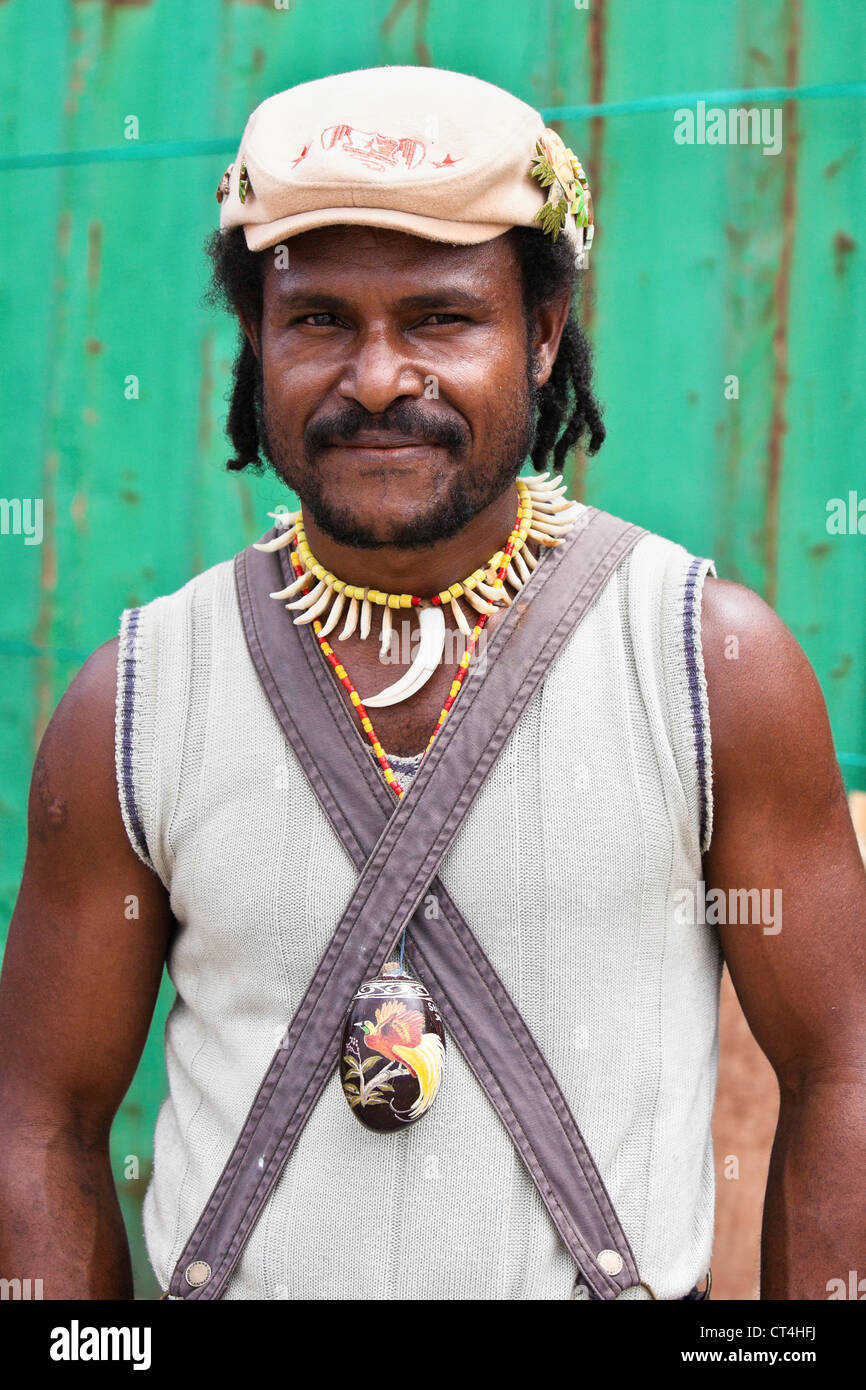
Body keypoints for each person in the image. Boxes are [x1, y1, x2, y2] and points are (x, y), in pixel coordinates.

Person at [1, 65, 864, 1302]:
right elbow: (38, 1122)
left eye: (439, 318)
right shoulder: (135, 700)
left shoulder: (704, 664)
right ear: (254, 335)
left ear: (545, 330)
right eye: (317, 322)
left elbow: (842, 1069)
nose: (374, 377)